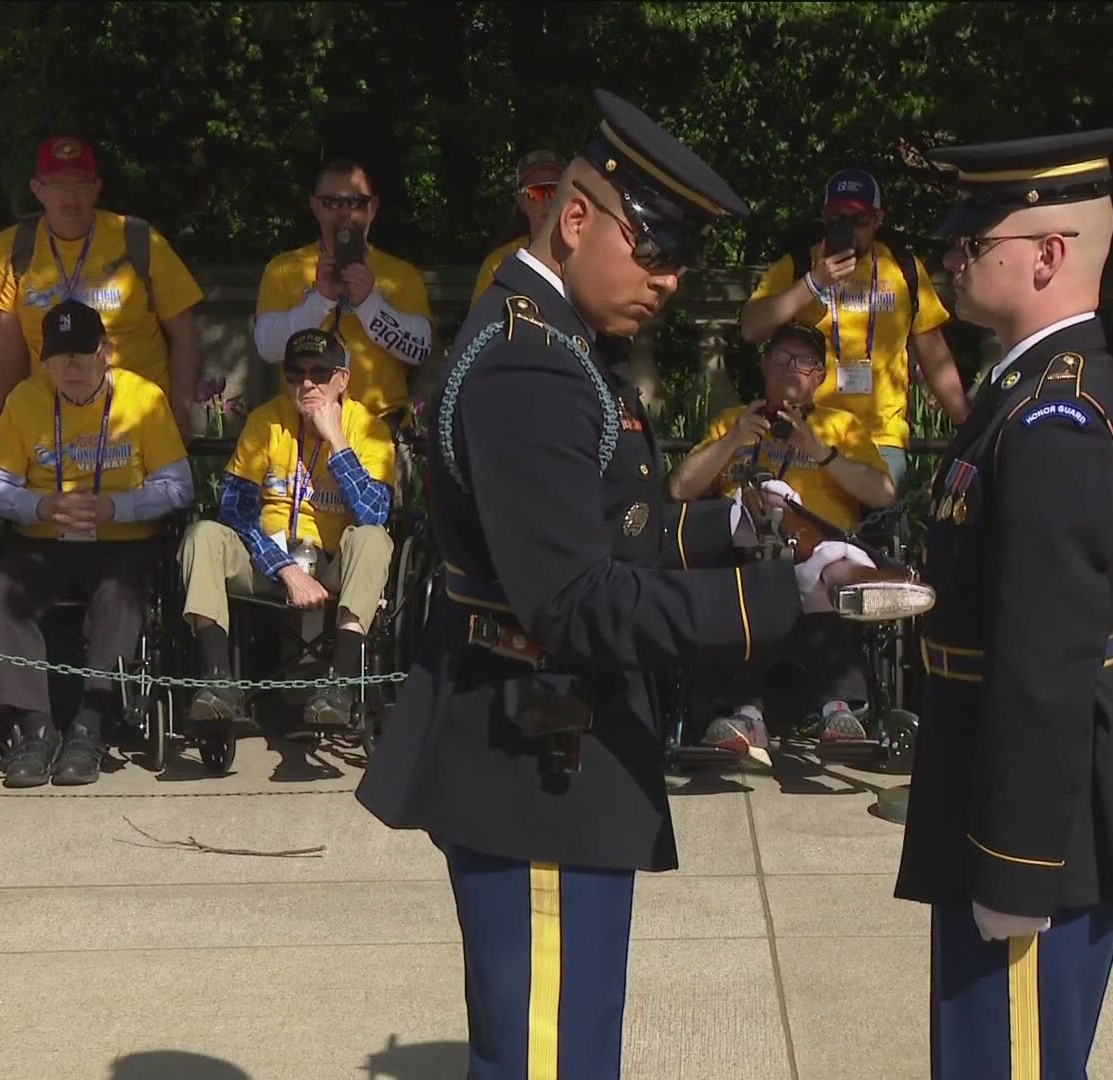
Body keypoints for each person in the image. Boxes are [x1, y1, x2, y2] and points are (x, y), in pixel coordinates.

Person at [354, 91, 878, 1080]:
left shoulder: (560, 343)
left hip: (554, 743)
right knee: (553, 1056)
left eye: (680, 260)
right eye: (655, 251)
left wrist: (732, 524)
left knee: (567, 1044)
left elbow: (609, 523)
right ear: (576, 219)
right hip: (537, 753)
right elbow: (574, 600)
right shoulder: (530, 364)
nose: (669, 281)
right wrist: (791, 596)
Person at [892, 128, 1113, 1080]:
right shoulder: (1019, 389)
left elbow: (1047, 652)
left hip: (1034, 825)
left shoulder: (1056, 415)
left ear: (1048, 255)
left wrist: (1018, 861)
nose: (952, 258)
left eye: (972, 243)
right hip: (989, 783)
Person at [0, 300, 194, 788]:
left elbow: (179, 487)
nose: (70, 368)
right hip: (43, 539)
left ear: (106, 353)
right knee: (2, 589)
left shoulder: (144, 399)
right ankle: (34, 729)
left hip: (123, 539)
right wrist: (40, 506)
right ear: (45, 362)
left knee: (120, 592)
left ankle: (90, 726)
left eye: (82, 356)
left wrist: (116, 507)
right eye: (59, 359)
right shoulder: (26, 399)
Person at [668, 321, 895, 754]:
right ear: (764, 364)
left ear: (820, 376)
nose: (793, 367)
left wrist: (819, 451)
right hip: (744, 555)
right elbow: (680, 489)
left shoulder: (840, 425)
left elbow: (882, 494)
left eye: (805, 361)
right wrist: (735, 438)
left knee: (823, 570)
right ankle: (745, 716)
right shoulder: (732, 421)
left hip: (819, 554)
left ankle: (836, 710)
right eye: (782, 357)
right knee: (748, 573)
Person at [179, 328, 396, 738]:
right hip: (269, 560)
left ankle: (339, 684)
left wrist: (336, 441)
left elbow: (374, 513)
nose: (307, 384)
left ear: (342, 379)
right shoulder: (266, 421)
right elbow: (236, 511)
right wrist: (286, 570)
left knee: (372, 539)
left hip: (333, 563)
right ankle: (217, 680)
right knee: (203, 534)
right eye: (296, 374)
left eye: (319, 373)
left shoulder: (369, 430)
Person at [739, 168, 966, 485]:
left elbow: (934, 354)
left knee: (880, 517)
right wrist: (813, 283)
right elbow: (751, 329)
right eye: (838, 219)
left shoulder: (903, 269)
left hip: (881, 438)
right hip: (809, 433)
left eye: (859, 220)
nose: (849, 229)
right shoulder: (799, 266)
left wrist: (968, 427)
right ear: (824, 217)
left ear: (878, 220)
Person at [0, 135, 205, 440]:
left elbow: (184, 334)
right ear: (37, 190)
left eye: (81, 185)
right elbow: (8, 346)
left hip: (137, 418)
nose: (71, 198)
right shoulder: (12, 247)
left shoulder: (139, 240)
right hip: (50, 420)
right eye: (58, 186)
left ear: (96, 189)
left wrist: (180, 416)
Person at [253, 159, 435, 419]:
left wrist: (369, 304)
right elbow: (268, 348)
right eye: (332, 202)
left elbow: (419, 350)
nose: (344, 212)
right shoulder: (283, 269)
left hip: (380, 428)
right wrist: (321, 300)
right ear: (315, 206)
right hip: (306, 427)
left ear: (373, 207)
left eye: (356, 202)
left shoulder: (402, 274)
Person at [469, 149, 565, 307]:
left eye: (555, 190)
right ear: (521, 201)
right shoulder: (498, 264)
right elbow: (481, 320)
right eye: (535, 192)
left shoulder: (591, 255)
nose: (547, 201)